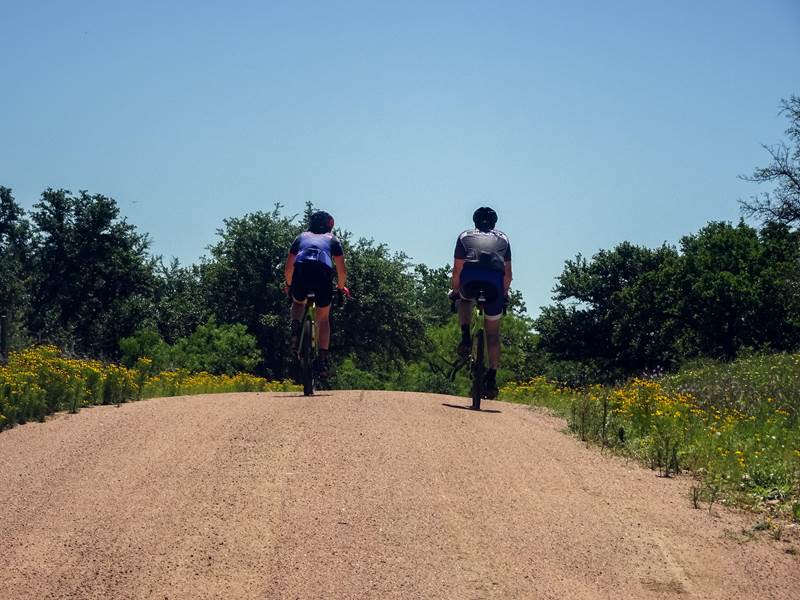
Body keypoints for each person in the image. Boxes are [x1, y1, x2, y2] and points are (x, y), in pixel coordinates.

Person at [452, 206, 512, 399]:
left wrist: (455, 291)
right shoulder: (504, 239)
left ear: (475, 222)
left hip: (470, 280)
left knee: (464, 299)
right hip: (494, 283)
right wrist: (504, 294)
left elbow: (457, 270)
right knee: (492, 334)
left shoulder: (464, 236)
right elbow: (508, 274)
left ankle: (465, 338)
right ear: (494, 223)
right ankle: (492, 377)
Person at [284, 210, 348, 375]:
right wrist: (340, 288)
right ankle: (322, 359)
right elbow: (342, 271)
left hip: (301, 272)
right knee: (323, 319)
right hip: (322, 275)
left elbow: (289, 267)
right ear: (329, 226)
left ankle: (295, 328)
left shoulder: (301, 237)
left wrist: (289, 285)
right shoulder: (332, 239)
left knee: (298, 302)